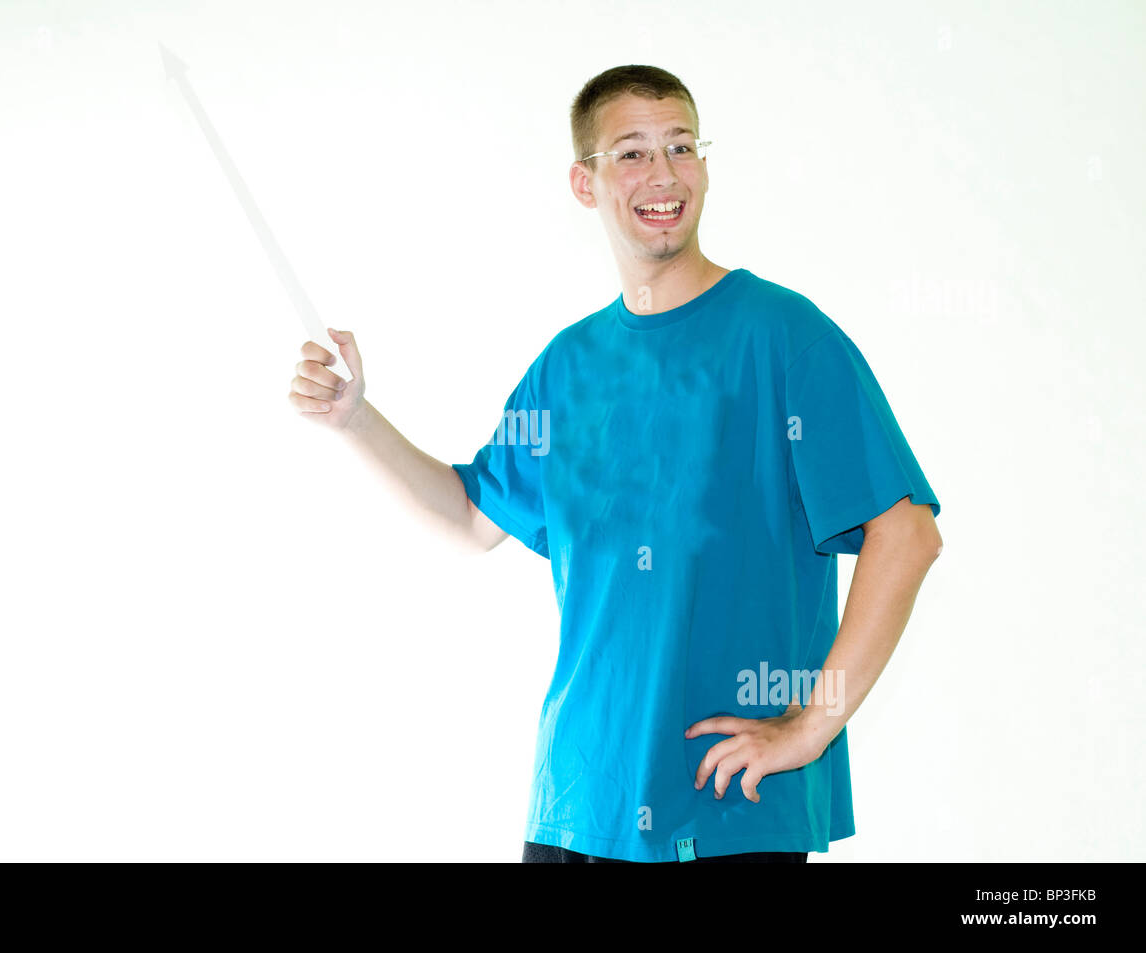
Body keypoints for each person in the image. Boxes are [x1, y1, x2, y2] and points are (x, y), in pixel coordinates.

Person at [288, 65, 943, 864]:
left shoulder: (784, 338)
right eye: (632, 152)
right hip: (574, 806)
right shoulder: (567, 368)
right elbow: (468, 517)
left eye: (681, 146)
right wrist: (354, 418)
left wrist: (810, 723)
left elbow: (906, 533)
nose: (664, 175)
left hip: (726, 809)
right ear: (585, 181)